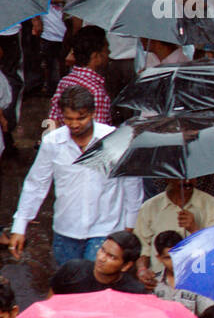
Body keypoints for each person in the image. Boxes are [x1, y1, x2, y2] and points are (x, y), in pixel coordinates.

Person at [10, 86, 143, 267]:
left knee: (95, 286)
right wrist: (20, 226)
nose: (74, 124)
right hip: (66, 230)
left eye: (81, 118)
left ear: (93, 113)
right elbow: (36, 184)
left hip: (105, 229)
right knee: (69, 287)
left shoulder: (113, 139)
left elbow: (131, 183)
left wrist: (129, 227)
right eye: (68, 119)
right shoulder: (53, 142)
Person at [131, 179, 214, 287]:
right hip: (159, 283)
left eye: (191, 177)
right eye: (179, 177)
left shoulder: (212, 206)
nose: (187, 181)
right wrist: (142, 270)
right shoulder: (150, 207)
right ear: (167, 178)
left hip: (198, 282)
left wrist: (194, 229)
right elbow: (142, 247)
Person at [49, 229, 149, 295]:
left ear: (126, 266)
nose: (101, 258)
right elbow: (51, 303)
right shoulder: (72, 270)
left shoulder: (134, 291)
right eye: (102, 250)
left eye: (112, 257)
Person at [49, 26, 111, 127]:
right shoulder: (96, 91)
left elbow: (53, 119)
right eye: (106, 49)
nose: (109, 53)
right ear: (95, 56)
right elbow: (97, 133)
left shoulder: (64, 81)